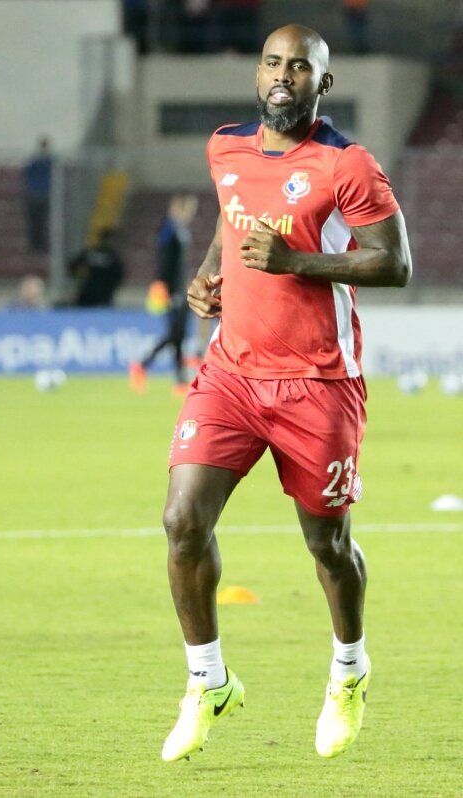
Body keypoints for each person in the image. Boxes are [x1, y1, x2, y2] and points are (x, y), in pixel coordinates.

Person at [161, 24, 412, 763]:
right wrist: (209, 273)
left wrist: (296, 260)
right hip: (232, 373)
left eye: (300, 68)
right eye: (273, 63)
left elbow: (394, 264)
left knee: (327, 546)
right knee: (182, 521)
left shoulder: (347, 164)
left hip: (318, 383)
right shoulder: (224, 147)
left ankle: (348, 671)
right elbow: (230, 219)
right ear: (258, 74)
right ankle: (207, 681)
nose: (283, 76)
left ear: (321, 84)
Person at [129, 193, 199, 394]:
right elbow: (163, 258)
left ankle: (179, 380)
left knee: (179, 335)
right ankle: (142, 365)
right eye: (187, 209)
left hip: (179, 288)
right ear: (176, 207)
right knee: (174, 333)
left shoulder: (180, 230)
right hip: (169, 289)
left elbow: (179, 263)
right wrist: (161, 285)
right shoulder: (168, 229)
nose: (190, 213)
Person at [60, 229, 124, 308]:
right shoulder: (113, 257)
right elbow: (119, 275)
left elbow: (73, 266)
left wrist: (77, 277)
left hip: (88, 289)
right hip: (104, 293)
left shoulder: (91, 252)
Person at [22, 136, 53, 253]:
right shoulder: (37, 161)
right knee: (36, 222)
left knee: (42, 222)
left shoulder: (44, 161)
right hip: (37, 195)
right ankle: (37, 245)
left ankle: (41, 245)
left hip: (42, 195)